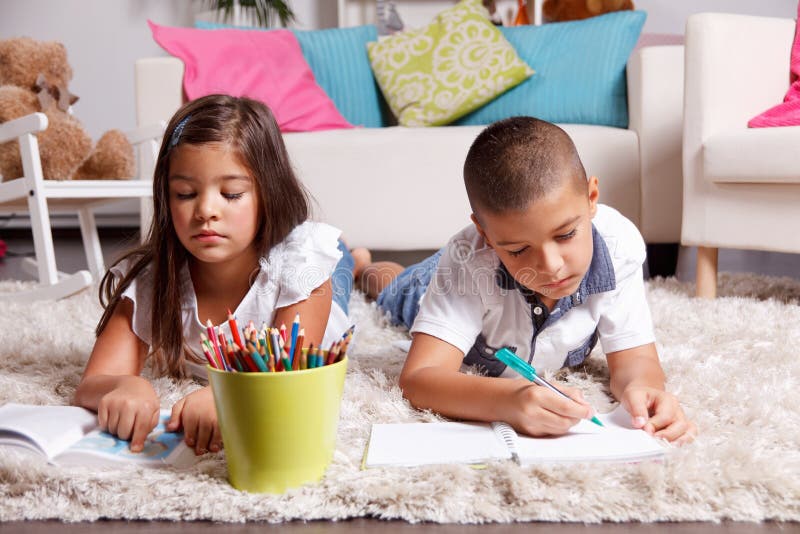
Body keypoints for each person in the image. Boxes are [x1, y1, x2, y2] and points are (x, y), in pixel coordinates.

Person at [361, 117, 696, 444]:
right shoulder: (467, 261)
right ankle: (365, 267)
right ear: (486, 234)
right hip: (442, 281)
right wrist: (509, 401)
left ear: (591, 199)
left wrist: (645, 390)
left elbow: (635, 360)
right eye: (520, 250)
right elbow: (419, 379)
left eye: (565, 235)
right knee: (398, 290)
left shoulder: (618, 243)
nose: (551, 266)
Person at [73, 95, 369, 455]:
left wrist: (226, 397)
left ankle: (359, 262)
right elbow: (94, 381)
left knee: (343, 274)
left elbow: (285, 376)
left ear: (268, 194)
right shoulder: (155, 279)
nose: (206, 211)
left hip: (318, 295)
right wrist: (123, 386)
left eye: (231, 194)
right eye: (185, 194)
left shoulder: (301, 263)